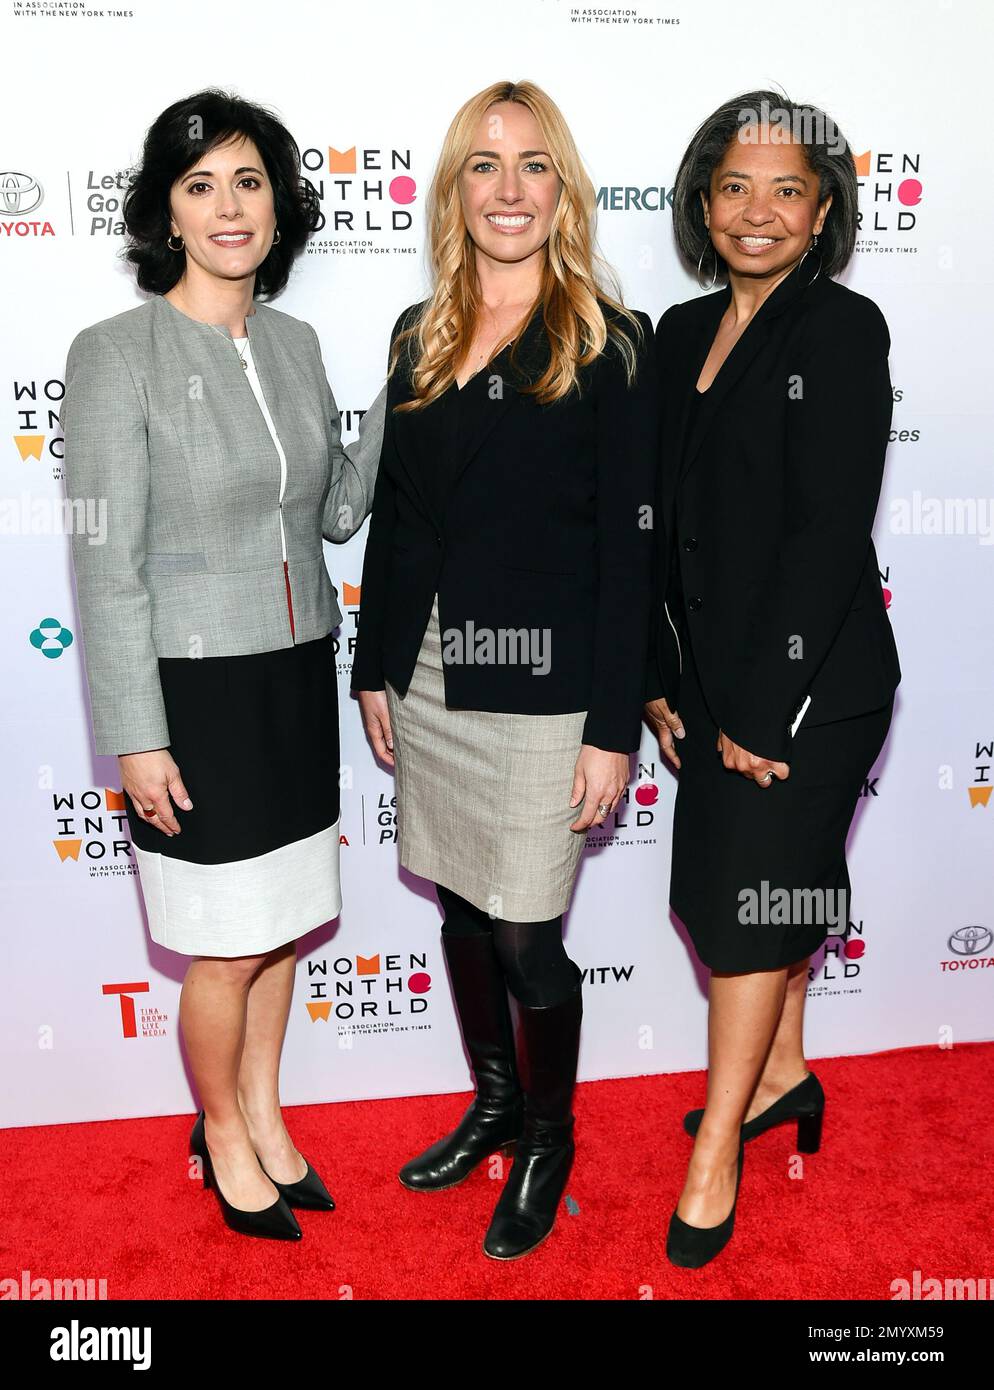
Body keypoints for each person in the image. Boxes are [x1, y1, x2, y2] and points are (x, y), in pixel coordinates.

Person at [60, 89, 385, 1241]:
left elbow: (337, 513)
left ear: (279, 204)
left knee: (283, 926)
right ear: (166, 211)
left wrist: (411, 389)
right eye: (201, 185)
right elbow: (107, 566)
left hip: (296, 676)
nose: (228, 206)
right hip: (192, 696)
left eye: (249, 181)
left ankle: (263, 1107)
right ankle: (221, 1129)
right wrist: (134, 734)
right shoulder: (114, 355)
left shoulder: (296, 345)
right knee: (222, 942)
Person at [351, 80, 657, 1260]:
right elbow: (400, 518)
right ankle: (488, 1101)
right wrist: (378, 666)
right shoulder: (416, 332)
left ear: (563, 188)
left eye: (533, 165)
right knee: (463, 903)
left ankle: (547, 1134)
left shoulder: (604, 342)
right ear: (454, 191)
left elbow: (631, 545)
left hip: (550, 691)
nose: (509, 188)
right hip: (430, 673)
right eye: (484, 166)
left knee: (529, 933)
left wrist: (611, 722)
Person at [643, 89, 901, 1268]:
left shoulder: (840, 330)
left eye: (786, 190)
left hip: (808, 688)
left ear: (824, 211)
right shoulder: (676, 331)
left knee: (749, 911)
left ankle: (718, 1153)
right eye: (735, 186)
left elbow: (826, 530)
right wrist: (661, 675)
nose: (757, 211)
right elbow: (652, 526)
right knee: (768, 884)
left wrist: (761, 707)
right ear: (703, 201)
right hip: (710, 683)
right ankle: (787, 1070)